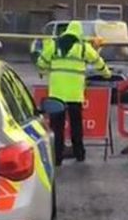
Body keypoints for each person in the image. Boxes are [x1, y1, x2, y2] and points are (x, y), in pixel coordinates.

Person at [36, 20, 111, 164]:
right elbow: (98, 61)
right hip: (75, 96)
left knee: (57, 128)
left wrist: (44, 71)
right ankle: (79, 154)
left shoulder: (54, 44)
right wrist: (107, 74)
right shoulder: (83, 47)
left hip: (56, 95)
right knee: (76, 127)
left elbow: (41, 62)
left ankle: (57, 158)